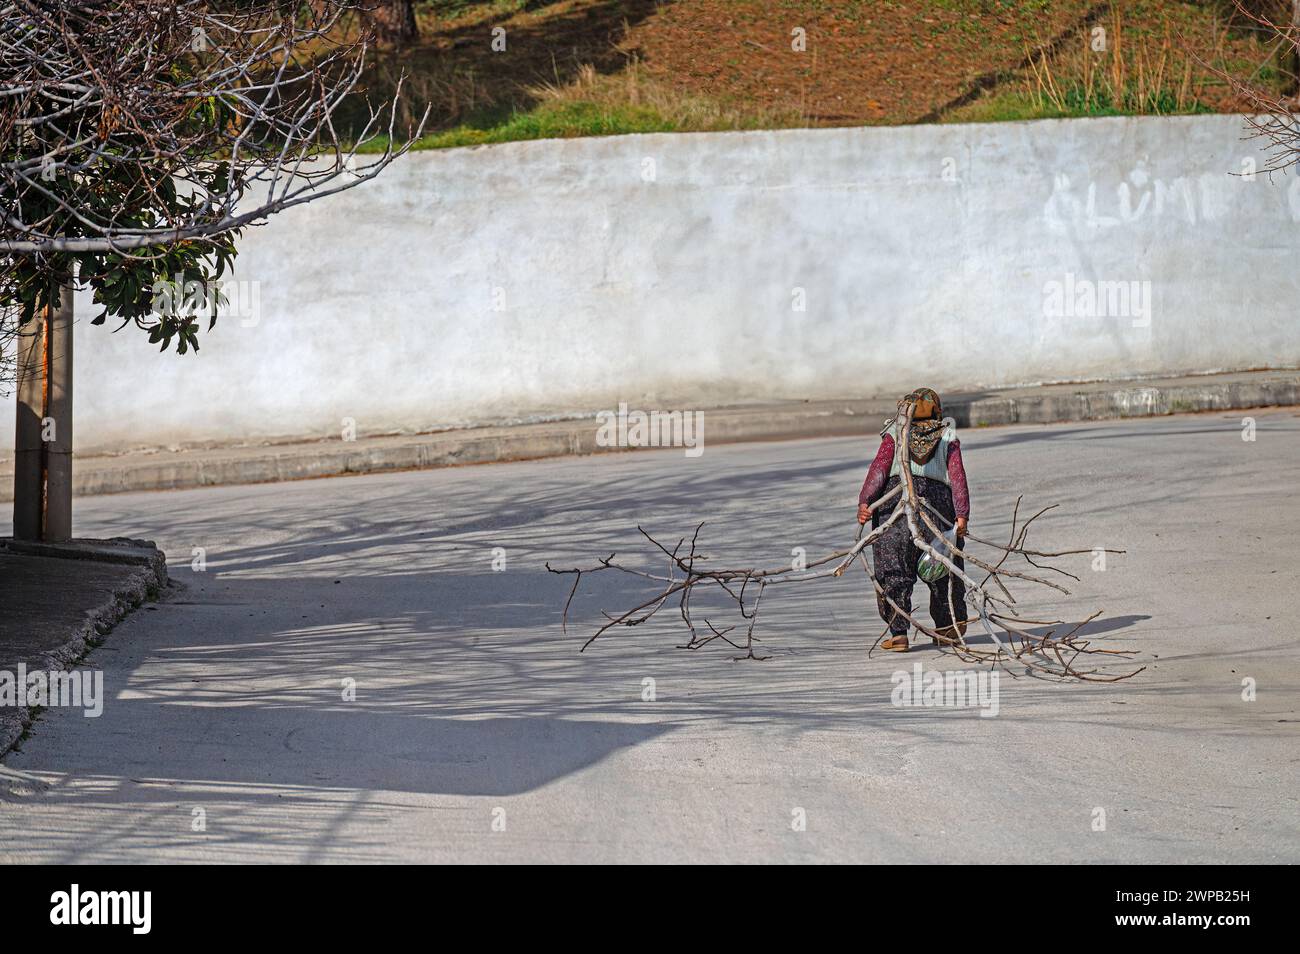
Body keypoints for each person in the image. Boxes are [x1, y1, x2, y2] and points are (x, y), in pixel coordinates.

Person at [856, 388, 970, 652]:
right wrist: (962, 514)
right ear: (937, 411)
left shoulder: (894, 434)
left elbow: (879, 470)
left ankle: (899, 632)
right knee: (943, 568)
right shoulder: (947, 435)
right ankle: (947, 629)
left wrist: (865, 502)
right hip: (937, 507)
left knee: (892, 567)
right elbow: (958, 477)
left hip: (895, 506)